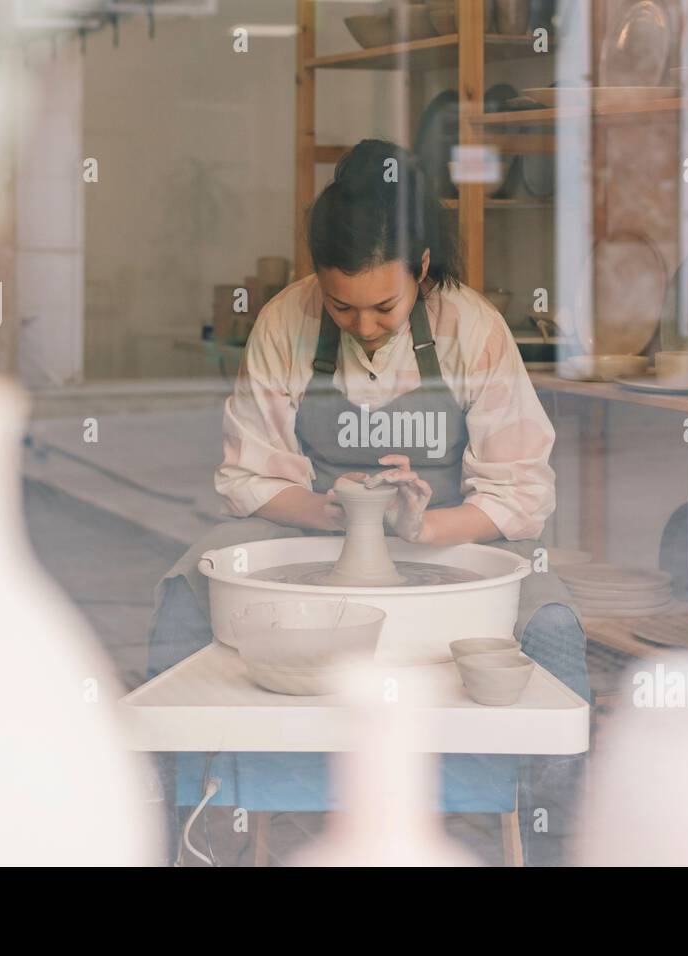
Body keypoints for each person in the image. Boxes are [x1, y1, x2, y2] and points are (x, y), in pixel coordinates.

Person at [148, 139, 589, 865]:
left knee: (556, 629)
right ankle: (184, 825)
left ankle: (554, 842)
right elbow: (248, 478)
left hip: (454, 544)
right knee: (182, 595)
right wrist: (332, 510)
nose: (364, 325)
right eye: (341, 306)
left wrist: (428, 523)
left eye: (384, 306)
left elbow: (522, 491)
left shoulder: (470, 329)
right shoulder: (286, 323)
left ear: (419, 267)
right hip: (315, 540)